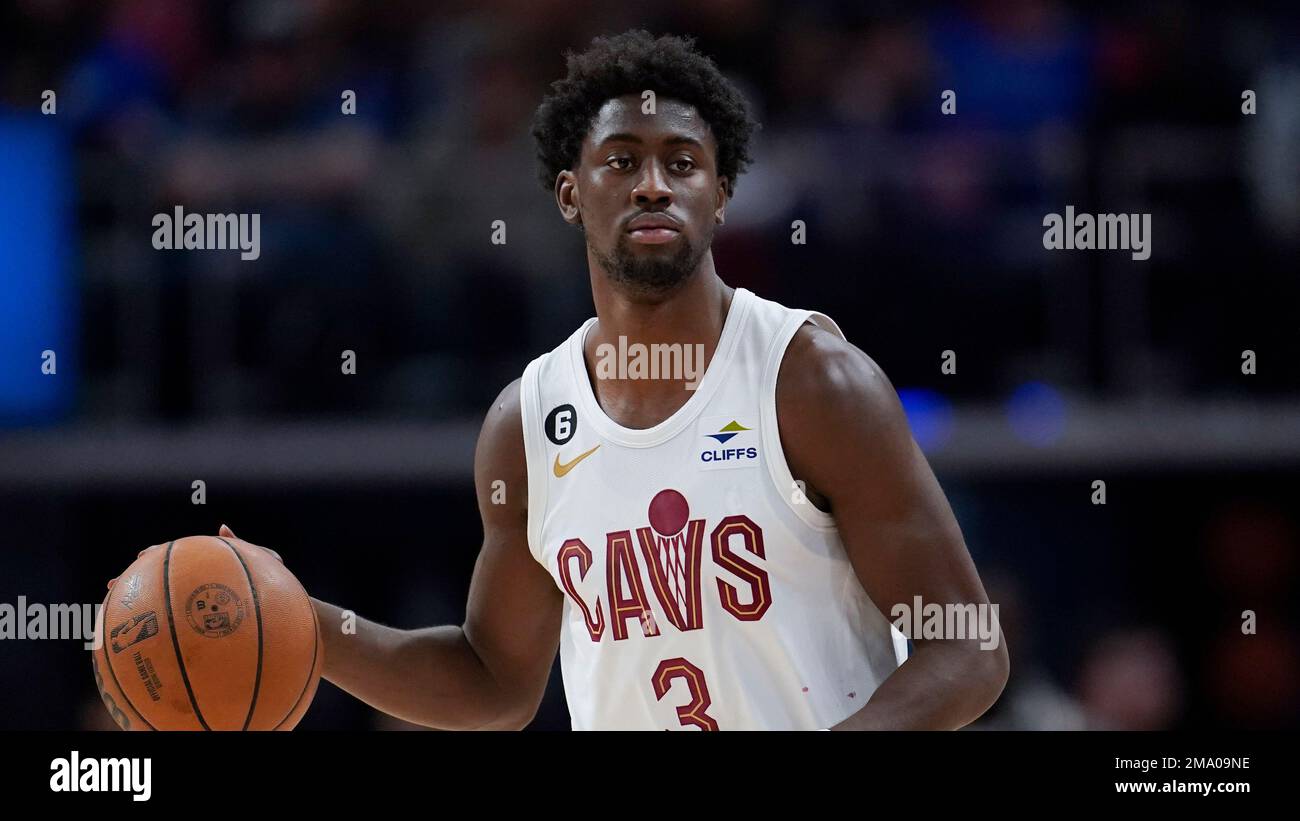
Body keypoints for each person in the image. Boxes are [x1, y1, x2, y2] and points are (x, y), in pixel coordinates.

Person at [145, 30, 1009, 730]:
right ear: (569, 193)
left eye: (683, 162)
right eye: (622, 160)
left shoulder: (811, 382)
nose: (653, 185)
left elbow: (969, 648)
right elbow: (492, 680)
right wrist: (301, 622)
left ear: (721, 193)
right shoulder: (527, 423)